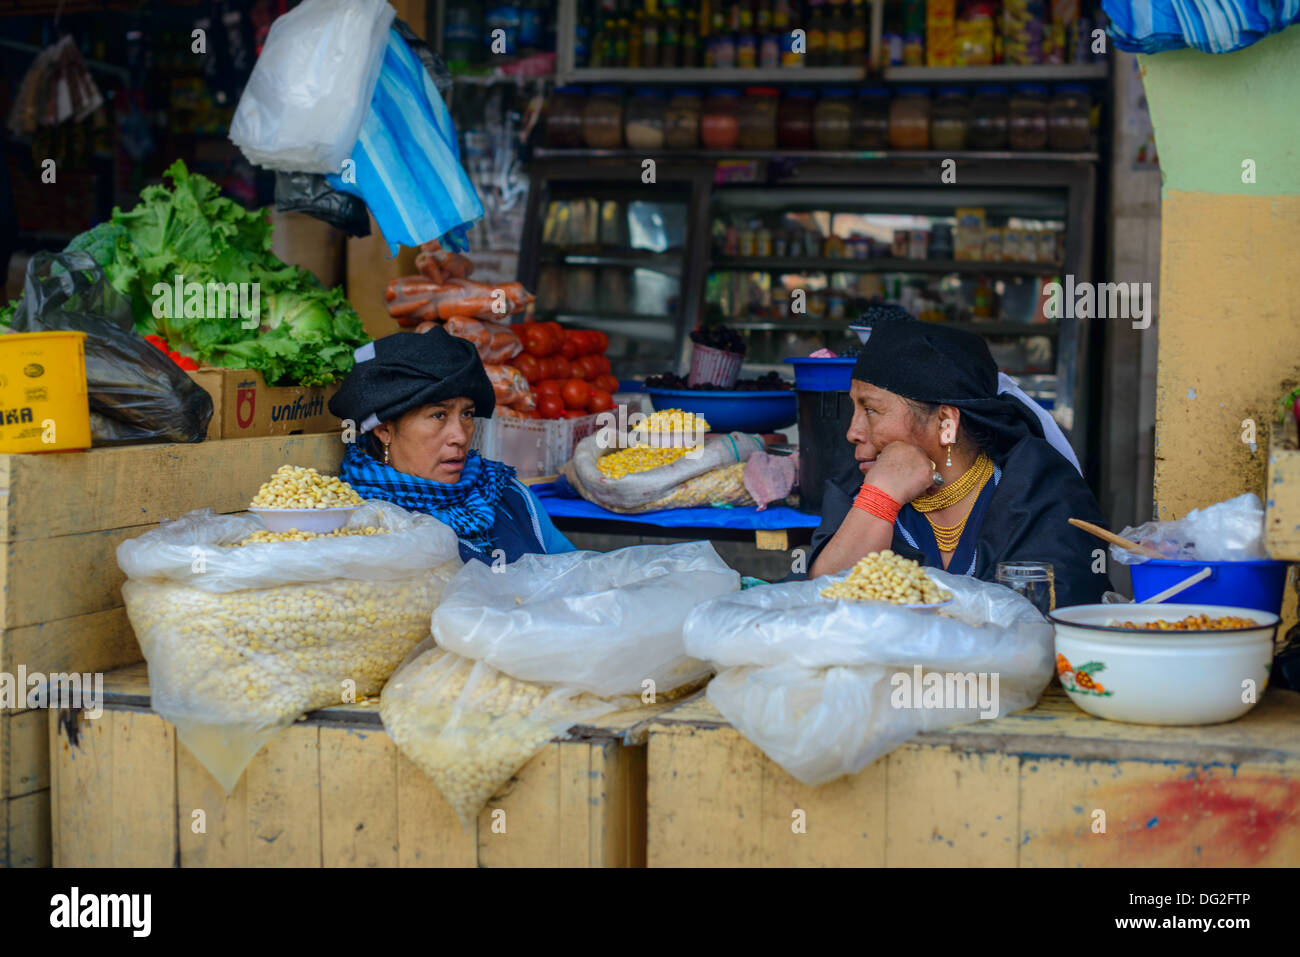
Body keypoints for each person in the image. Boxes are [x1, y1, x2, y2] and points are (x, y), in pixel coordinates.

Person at [806, 320, 1110, 606]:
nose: (852, 432)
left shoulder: (1040, 488)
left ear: (945, 422)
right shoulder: (858, 487)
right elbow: (822, 603)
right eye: (854, 408)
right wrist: (881, 496)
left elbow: (1057, 620)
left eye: (871, 409)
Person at [328, 329, 575, 565]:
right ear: (385, 430)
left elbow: (574, 573)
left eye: (467, 414)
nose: (459, 436)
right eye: (438, 415)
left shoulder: (508, 495)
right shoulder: (358, 519)